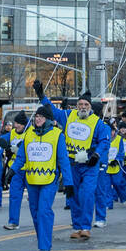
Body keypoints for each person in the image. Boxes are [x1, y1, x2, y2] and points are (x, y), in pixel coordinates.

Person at [37, 82, 108, 240]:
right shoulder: (68, 115)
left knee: (88, 194)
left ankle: (85, 227)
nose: (83, 107)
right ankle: (77, 226)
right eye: (80, 104)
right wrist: (42, 96)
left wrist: (96, 155)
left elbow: (104, 141)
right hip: (72, 163)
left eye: (86, 104)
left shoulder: (97, 122)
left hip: (90, 164)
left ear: (90, 106)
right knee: (73, 194)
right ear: (76, 105)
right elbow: (52, 111)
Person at [9, 101, 74, 251]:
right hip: (31, 180)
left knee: (44, 211)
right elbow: (21, 157)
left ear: (49, 119)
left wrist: (68, 182)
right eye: (37, 116)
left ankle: (44, 247)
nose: (38, 119)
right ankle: (43, 243)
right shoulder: (28, 134)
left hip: (49, 180)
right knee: (35, 213)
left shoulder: (57, 135)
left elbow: (63, 160)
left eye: (42, 116)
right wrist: (12, 171)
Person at [1, 113, 29, 230]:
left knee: (34, 198)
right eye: (15, 123)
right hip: (16, 170)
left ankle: (39, 221)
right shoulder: (12, 133)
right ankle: (13, 222)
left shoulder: (31, 132)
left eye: (18, 123)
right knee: (14, 196)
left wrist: (20, 149)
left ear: (24, 124)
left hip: (29, 170)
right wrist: (4, 145)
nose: (15, 125)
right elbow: (1, 140)